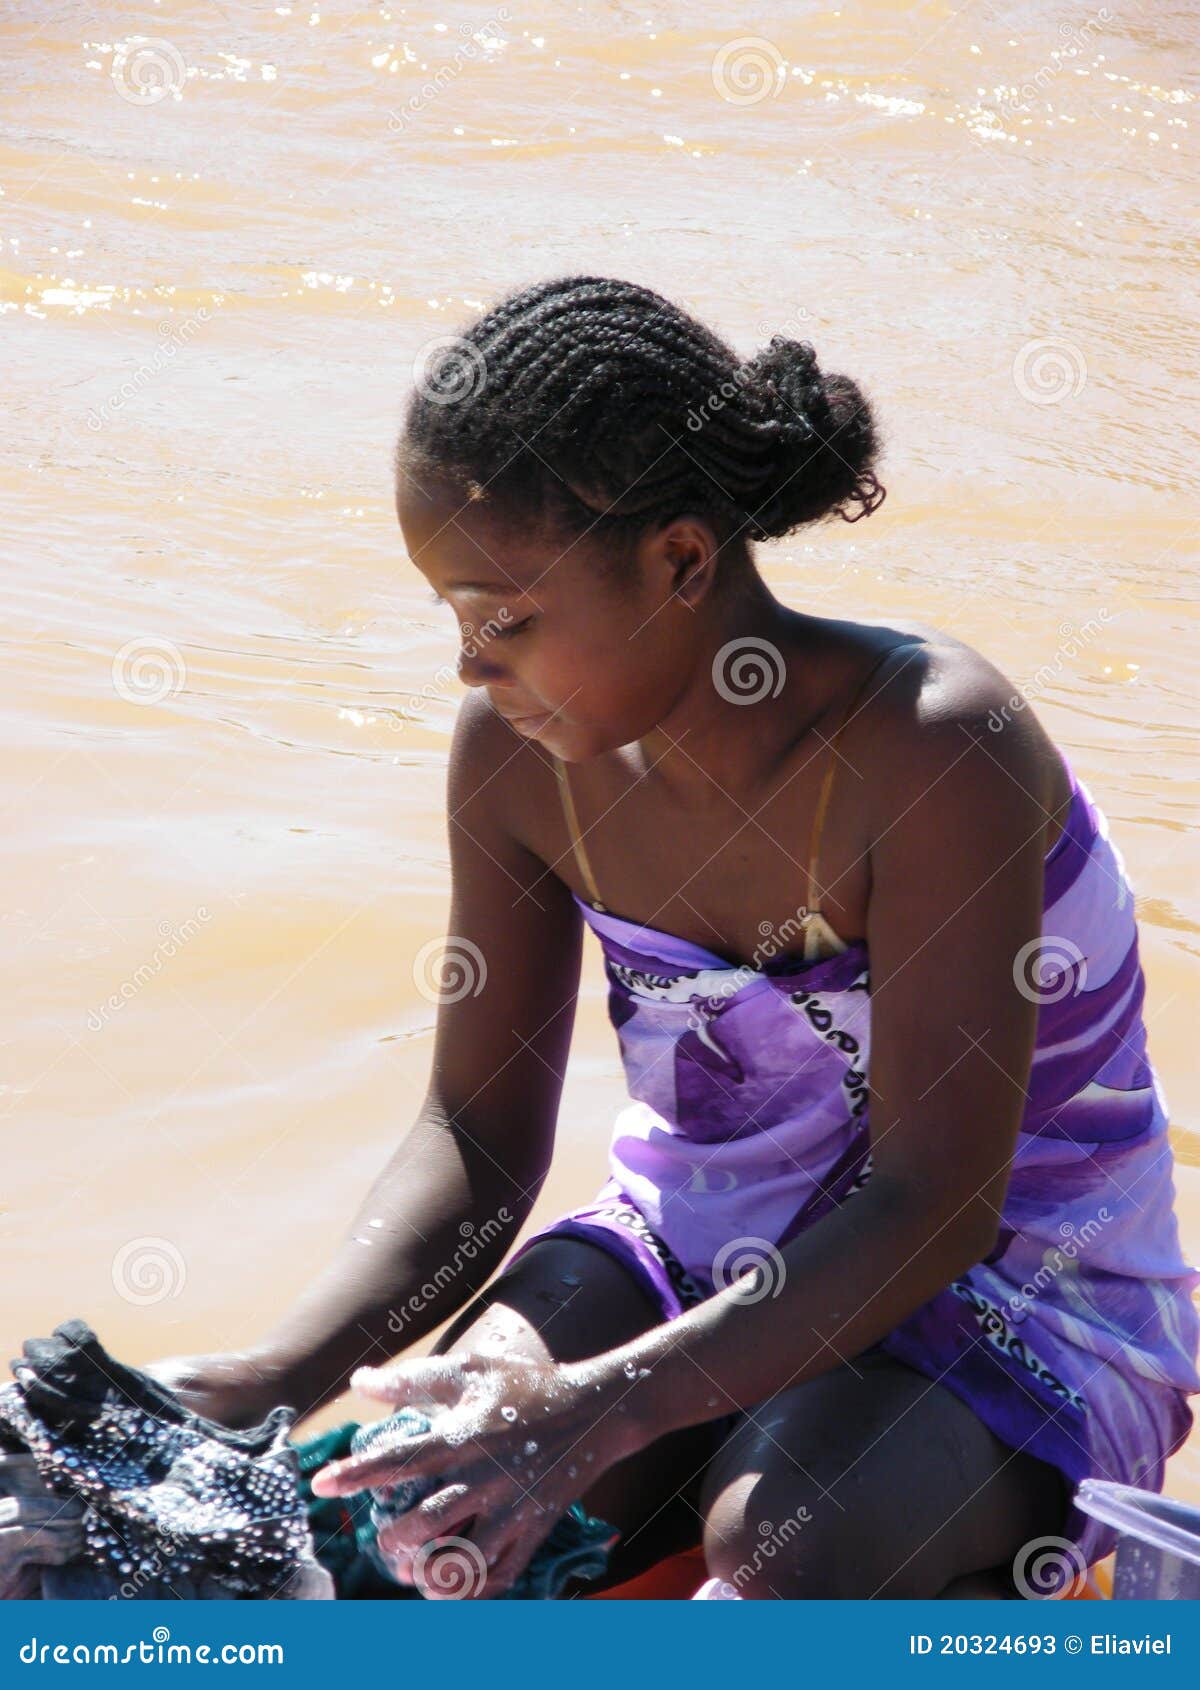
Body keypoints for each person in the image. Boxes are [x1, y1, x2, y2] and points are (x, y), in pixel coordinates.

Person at [147, 276, 1200, 1600]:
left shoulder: (936, 746)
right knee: (426, 1494)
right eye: (454, 619)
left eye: (506, 618)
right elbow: (475, 1141)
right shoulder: (519, 761)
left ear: (684, 562)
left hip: (1017, 1288)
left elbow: (937, 1200)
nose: (471, 666)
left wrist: (605, 1405)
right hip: (693, 1235)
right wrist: (261, 1382)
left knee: (786, 1531)